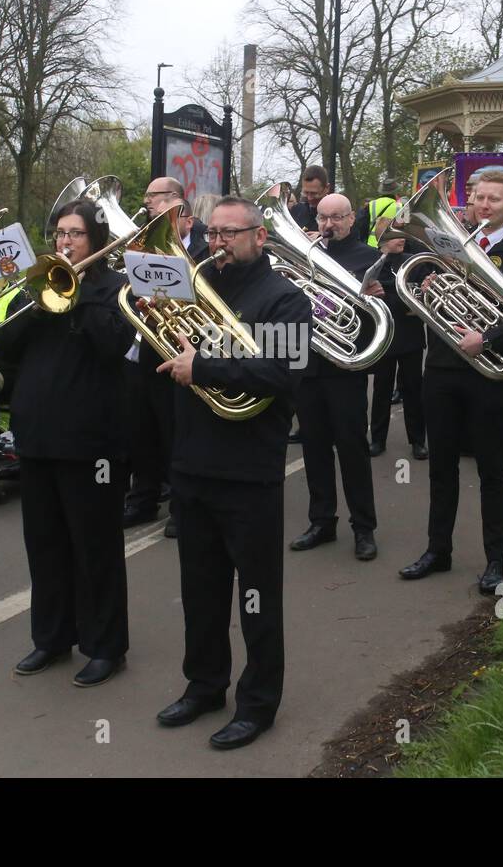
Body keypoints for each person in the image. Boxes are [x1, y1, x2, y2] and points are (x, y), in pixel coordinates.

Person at [153, 196, 313, 750]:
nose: (217, 243)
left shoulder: (286, 299)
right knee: (200, 589)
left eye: (230, 234)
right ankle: (203, 686)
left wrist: (203, 365)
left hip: (249, 471)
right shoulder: (198, 286)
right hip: (192, 463)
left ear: (259, 236)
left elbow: (279, 375)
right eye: (213, 233)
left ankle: (258, 703)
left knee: (257, 596)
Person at [0, 199, 136, 687]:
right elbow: (4, 347)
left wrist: (78, 299)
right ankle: (51, 638)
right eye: (59, 234)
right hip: (37, 435)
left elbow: (114, 344)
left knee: (95, 546)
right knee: (45, 545)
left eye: (74, 233)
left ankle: (105, 646)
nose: (64, 242)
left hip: (93, 440)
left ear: (95, 239)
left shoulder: (117, 287)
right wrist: (36, 303)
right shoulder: (37, 283)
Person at [398, 171, 503, 594]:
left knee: (491, 470)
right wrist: (431, 289)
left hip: (489, 372)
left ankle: (495, 561)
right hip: (443, 370)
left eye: (494, 200)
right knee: (442, 468)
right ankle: (437, 551)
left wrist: (488, 337)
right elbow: (436, 301)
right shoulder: (452, 246)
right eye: (478, 198)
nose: (484, 205)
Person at [289, 193, 383, 562]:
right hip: (309, 365)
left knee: (352, 448)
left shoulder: (368, 258)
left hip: (345, 366)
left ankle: (364, 528)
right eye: (322, 217)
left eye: (336, 218)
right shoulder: (308, 252)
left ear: (350, 218)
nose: (329, 225)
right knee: (314, 447)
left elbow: (379, 314)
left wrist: (376, 297)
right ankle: (322, 521)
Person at [123, 184, 209, 536]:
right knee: (141, 429)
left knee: (175, 429)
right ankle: (142, 499)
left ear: (187, 218)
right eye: (154, 216)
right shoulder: (142, 250)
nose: (156, 221)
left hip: (183, 349)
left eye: (167, 217)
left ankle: (181, 505)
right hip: (147, 347)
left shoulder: (203, 252)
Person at [369, 233, 427, 461]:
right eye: (394, 237)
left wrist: (390, 292)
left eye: (402, 236)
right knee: (381, 390)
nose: (401, 240)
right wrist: (400, 296)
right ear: (381, 240)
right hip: (385, 337)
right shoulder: (374, 263)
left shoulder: (413, 261)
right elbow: (371, 294)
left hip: (411, 337)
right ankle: (377, 439)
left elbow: (421, 294)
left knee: (413, 390)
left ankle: (418, 441)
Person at [289, 165, 328, 231]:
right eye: (306, 192)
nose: (309, 198)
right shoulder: (296, 210)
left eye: (314, 193)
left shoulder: (337, 213)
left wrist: (323, 237)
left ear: (326, 188)